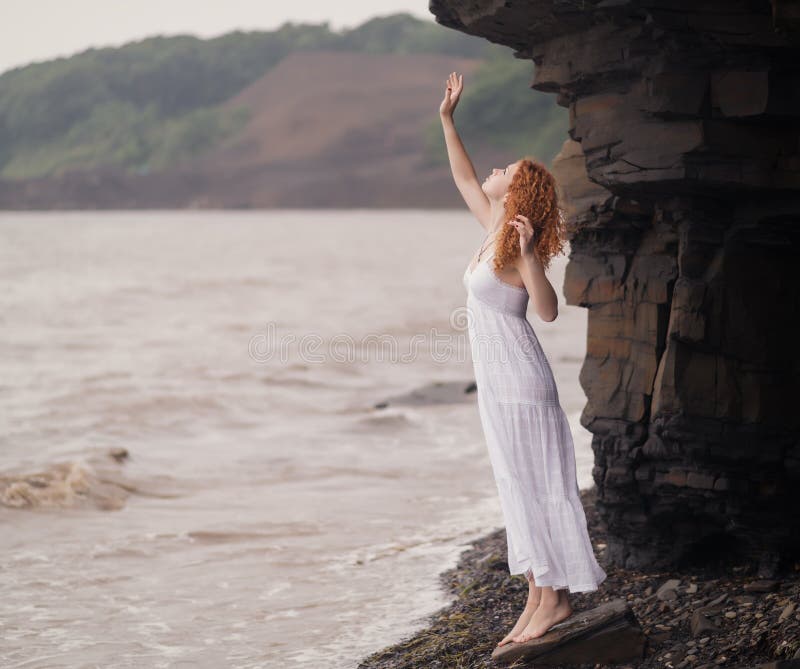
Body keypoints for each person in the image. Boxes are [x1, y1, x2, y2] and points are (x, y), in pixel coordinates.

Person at [439, 71, 607, 646]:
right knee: (517, 484)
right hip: (497, 382)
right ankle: (539, 596)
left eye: (505, 169)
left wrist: (534, 253)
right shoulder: (491, 231)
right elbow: (462, 173)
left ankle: (554, 600)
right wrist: (447, 119)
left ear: (518, 191)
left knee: (536, 483)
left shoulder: (517, 246)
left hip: (520, 380)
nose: (493, 170)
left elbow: (549, 310)